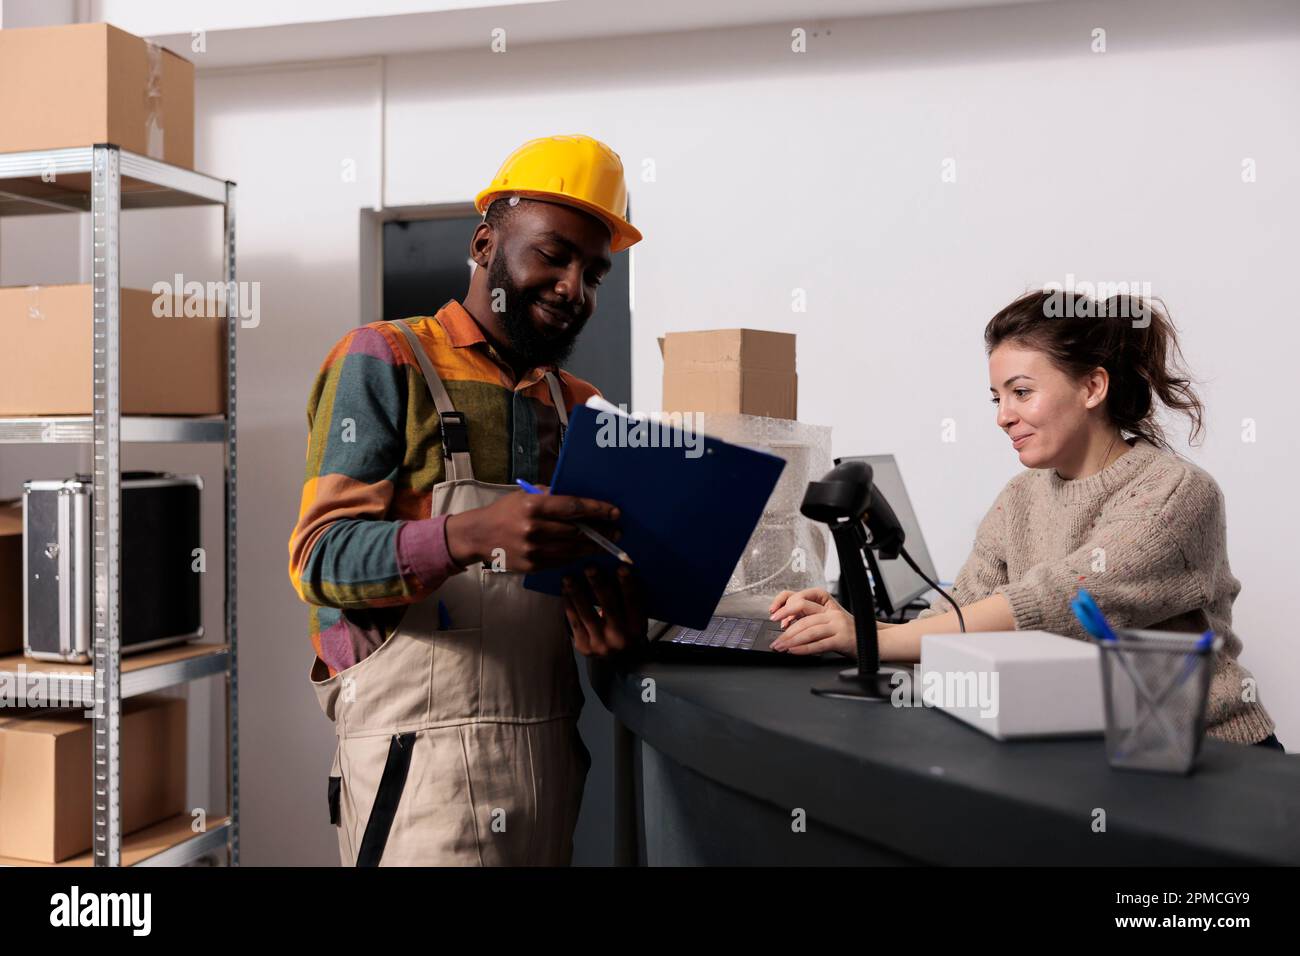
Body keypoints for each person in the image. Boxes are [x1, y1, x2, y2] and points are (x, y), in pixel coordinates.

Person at [287, 134, 649, 866]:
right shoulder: (384, 359)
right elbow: (318, 560)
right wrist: (469, 535)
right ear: (486, 243)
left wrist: (618, 631)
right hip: (419, 769)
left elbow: (599, 576)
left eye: (593, 272)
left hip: (548, 757)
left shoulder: (581, 407)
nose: (574, 288)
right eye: (553, 254)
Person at [767, 289, 1282, 749]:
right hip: (1094, 752)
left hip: (1205, 753)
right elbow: (957, 617)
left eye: (1021, 392)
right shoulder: (1019, 496)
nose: (1002, 417)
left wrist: (867, 636)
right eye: (997, 398)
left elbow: (1062, 600)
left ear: (1093, 387)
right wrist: (842, 623)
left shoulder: (1176, 492)